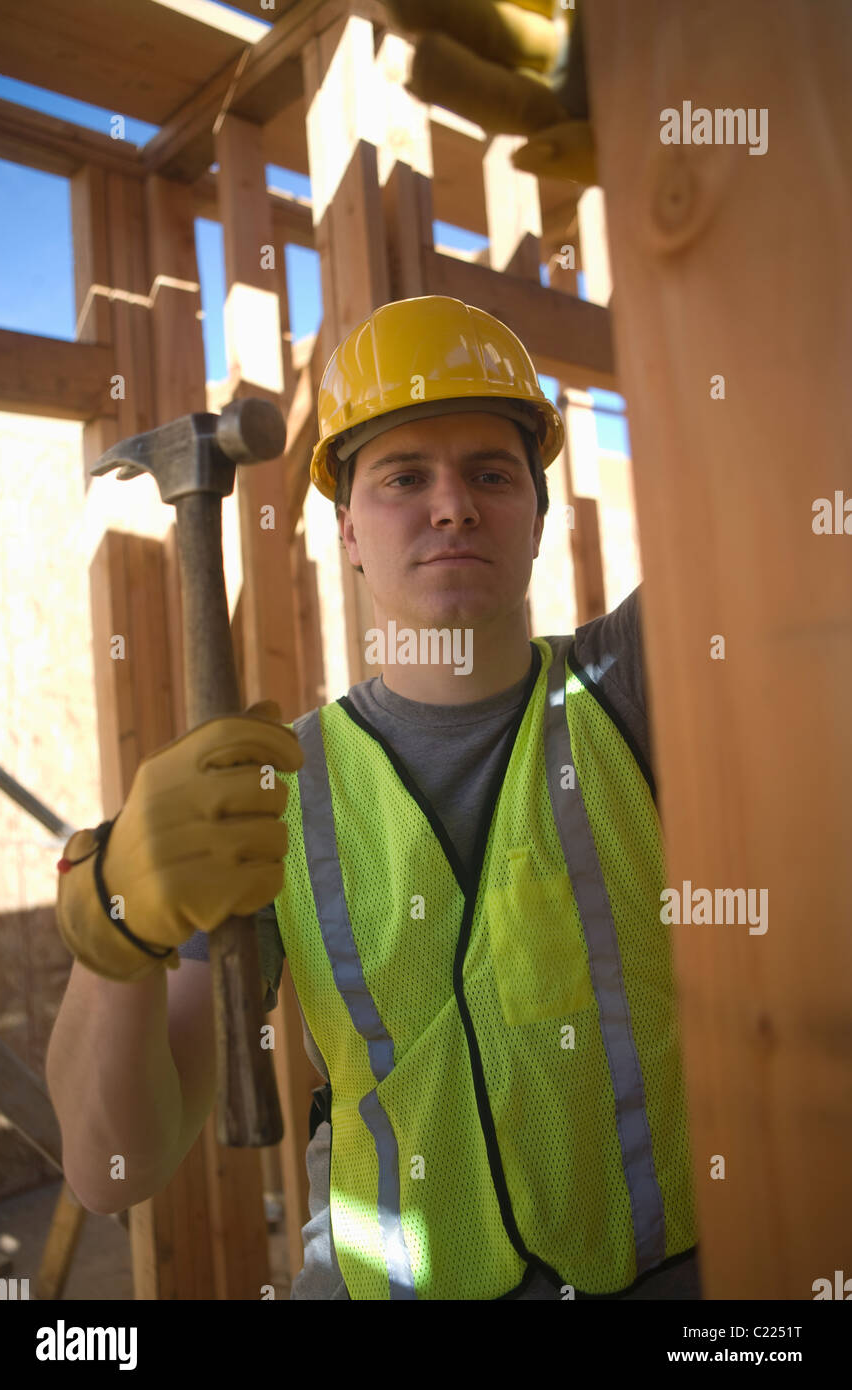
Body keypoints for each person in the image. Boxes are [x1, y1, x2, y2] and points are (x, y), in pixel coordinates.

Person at [47, 292, 700, 1300]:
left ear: (535, 516)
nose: (451, 504)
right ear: (347, 530)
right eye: (404, 477)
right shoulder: (267, 796)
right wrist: (117, 924)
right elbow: (109, 1166)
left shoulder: (636, 684)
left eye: (491, 472)